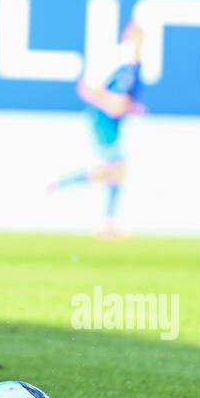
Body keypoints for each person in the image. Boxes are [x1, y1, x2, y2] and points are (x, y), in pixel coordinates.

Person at [48, 21, 145, 238]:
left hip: (115, 121)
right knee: (117, 169)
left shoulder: (136, 65)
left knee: (116, 170)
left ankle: (106, 221)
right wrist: (108, 103)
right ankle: (64, 187)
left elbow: (123, 99)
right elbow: (86, 88)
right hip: (102, 119)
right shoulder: (118, 60)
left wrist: (130, 107)